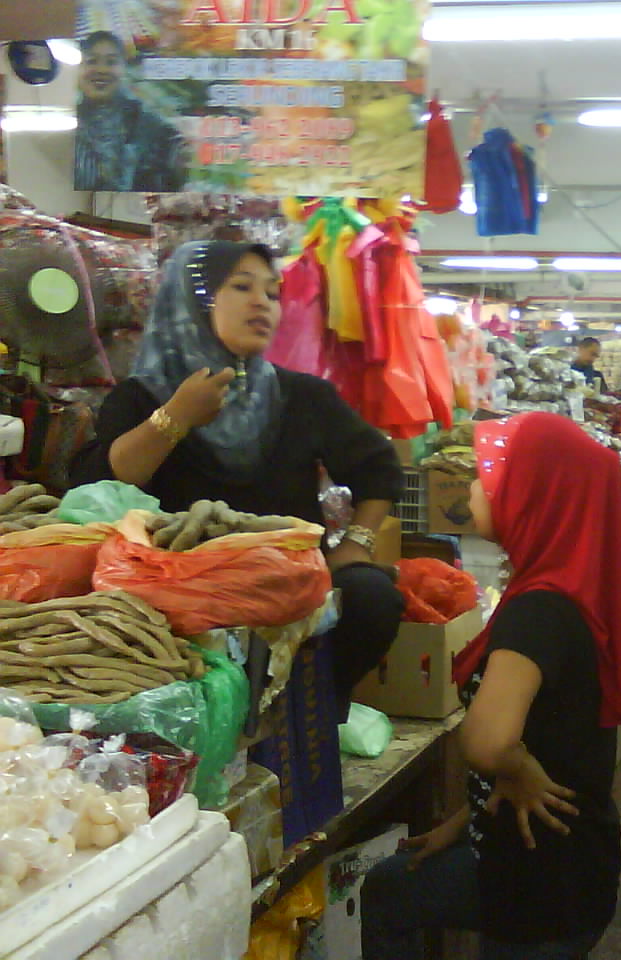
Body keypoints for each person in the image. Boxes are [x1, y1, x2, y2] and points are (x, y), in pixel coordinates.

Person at [70, 241, 404, 709]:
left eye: (271, 293)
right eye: (241, 286)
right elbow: (100, 485)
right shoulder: (141, 395)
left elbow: (379, 469)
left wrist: (356, 547)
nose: (260, 303)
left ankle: (313, 715)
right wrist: (175, 418)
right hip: (175, 585)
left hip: (286, 578)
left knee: (372, 597)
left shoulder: (302, 396)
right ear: (191, 299)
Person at [361, 412, 621, 960]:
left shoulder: (539, 611)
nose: (472, 484)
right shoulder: (556, 590)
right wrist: (463, 825)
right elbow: (553, 743)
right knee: (392, 887)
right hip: (555, 864)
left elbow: (490, 743)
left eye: (491, 474)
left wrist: (514, 767)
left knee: (390, 892)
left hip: (540, 884)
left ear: (537, 494)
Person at [75, 32, 187, 192]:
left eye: (111, 62)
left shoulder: (150, 126)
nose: (101, 70)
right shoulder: (65, 121)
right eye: (92, 61)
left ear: (124, 69)